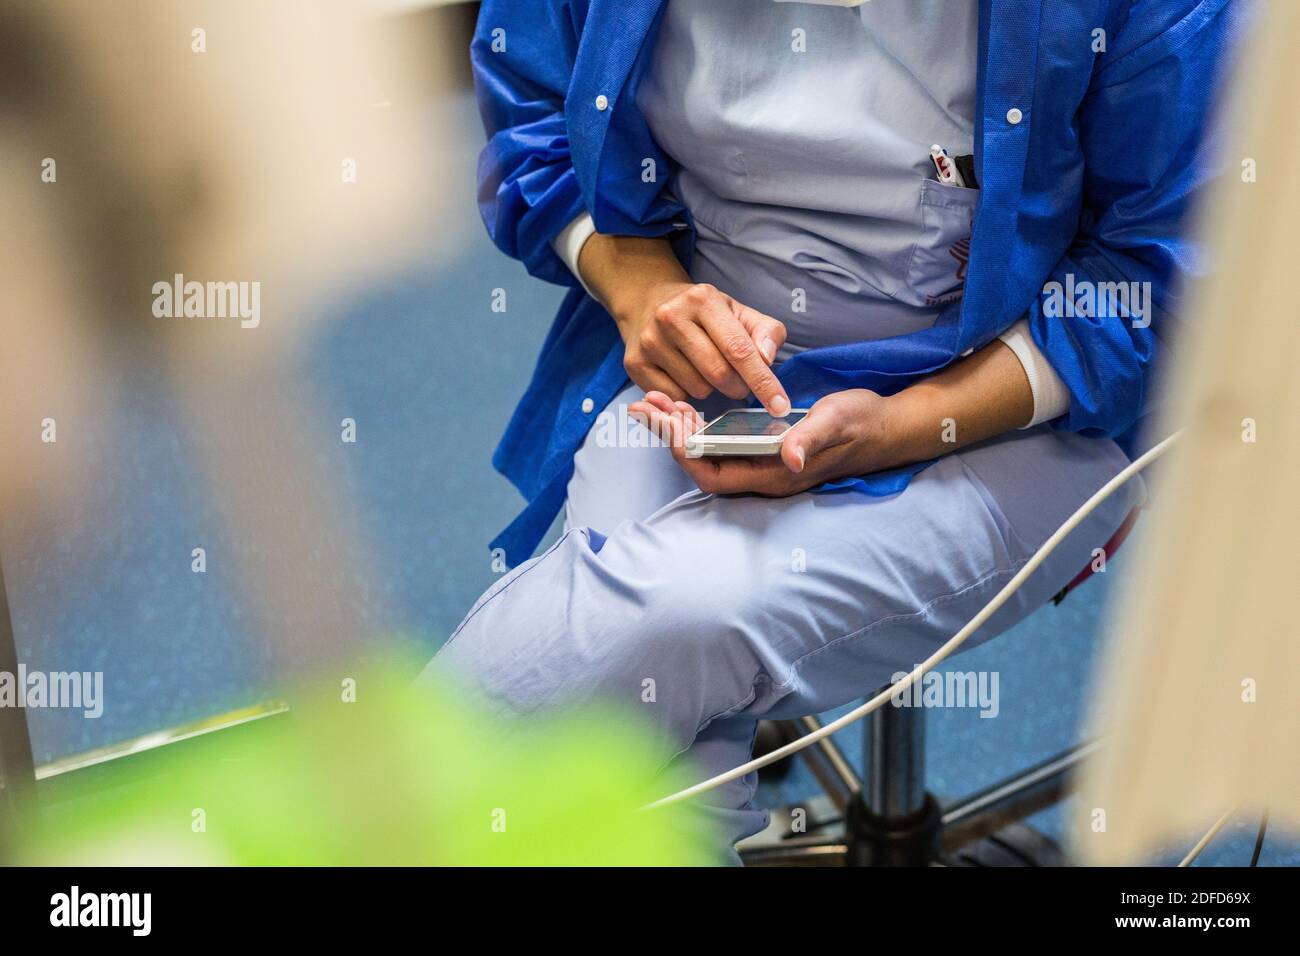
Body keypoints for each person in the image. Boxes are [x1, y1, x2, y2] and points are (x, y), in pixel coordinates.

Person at [421, 0, 1246, 861]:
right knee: (641, 769)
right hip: (707, 376)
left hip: (1027, 410)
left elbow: (1163, 278)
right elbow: (534, 106)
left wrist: (899, 427)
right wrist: (648, 294)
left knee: (674, 615)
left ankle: (365, 812)